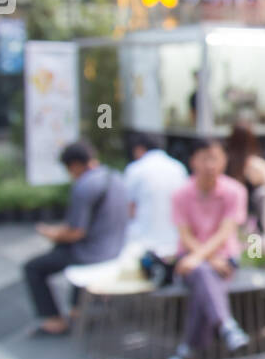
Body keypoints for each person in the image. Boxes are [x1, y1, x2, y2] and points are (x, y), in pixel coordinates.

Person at [160, 139, 251, 359]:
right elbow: (185, 234)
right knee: (204, 275)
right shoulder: (181, 194)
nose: (210, 164)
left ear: (224, 160)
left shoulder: (234, 191)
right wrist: (206, 259)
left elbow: (226, 231)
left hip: (216, 258)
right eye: (205, 157)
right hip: (194, 257)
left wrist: (201, 258)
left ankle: (185, 351)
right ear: (193, 161)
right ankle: (226, 325)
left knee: (202, 277)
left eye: (216, 157)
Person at [24, 141, 129, 336]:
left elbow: (76, 232)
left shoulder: (84, 186)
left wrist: (50, 233)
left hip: (92, 254)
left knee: (33, 267)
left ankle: (54, 321)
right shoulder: (117, 177)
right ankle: (76, 310)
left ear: (74, 165)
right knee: (61, 251)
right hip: (116, 249)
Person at [122, 131, 188, 256]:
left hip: (140, 244)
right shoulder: (179, 168)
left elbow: (128, 208)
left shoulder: (135, 169)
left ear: (139, 149)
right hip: (175, 241)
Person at [224, 122, 265, 240]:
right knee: (254, 255)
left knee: (241, 255)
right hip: (253, 225)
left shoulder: (225, 164)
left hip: (232, 223)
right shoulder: (255, 164)